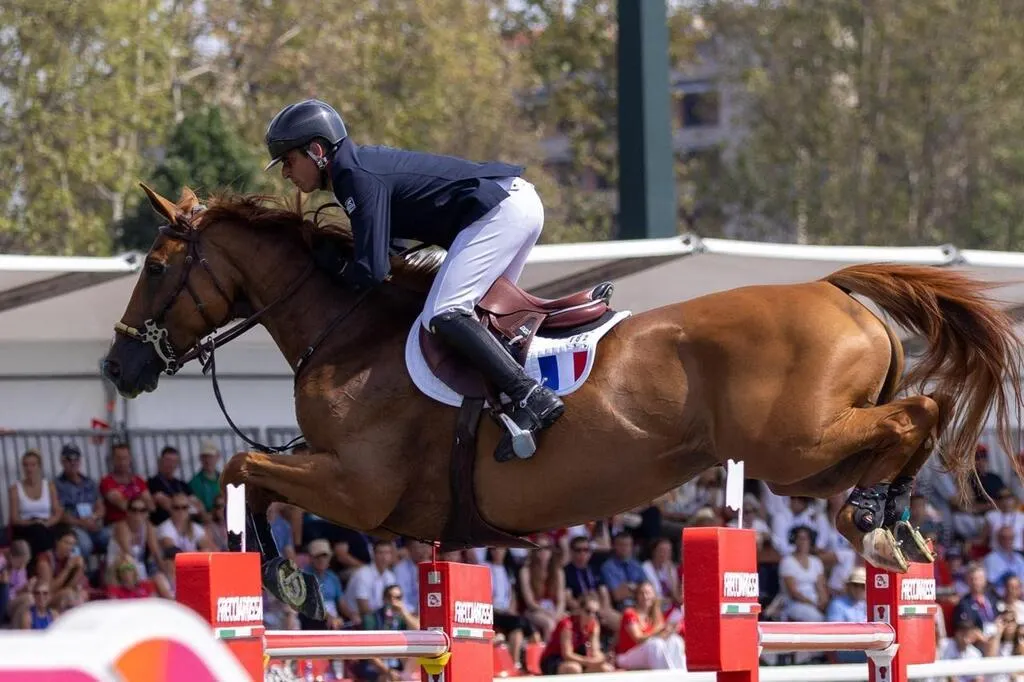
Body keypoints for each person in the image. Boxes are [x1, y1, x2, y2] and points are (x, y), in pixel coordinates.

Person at [263, 99, 563, 460]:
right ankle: (510, 409)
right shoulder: (354, 174)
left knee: (445, 312)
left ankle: (532, 396)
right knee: (478, 320)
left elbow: (373, 272)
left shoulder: (356, 177)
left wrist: (332, 266)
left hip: (501, 210)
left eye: (288, 161)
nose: (285, 173)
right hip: (511, 206)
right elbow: (392, 255)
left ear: (316, 150)